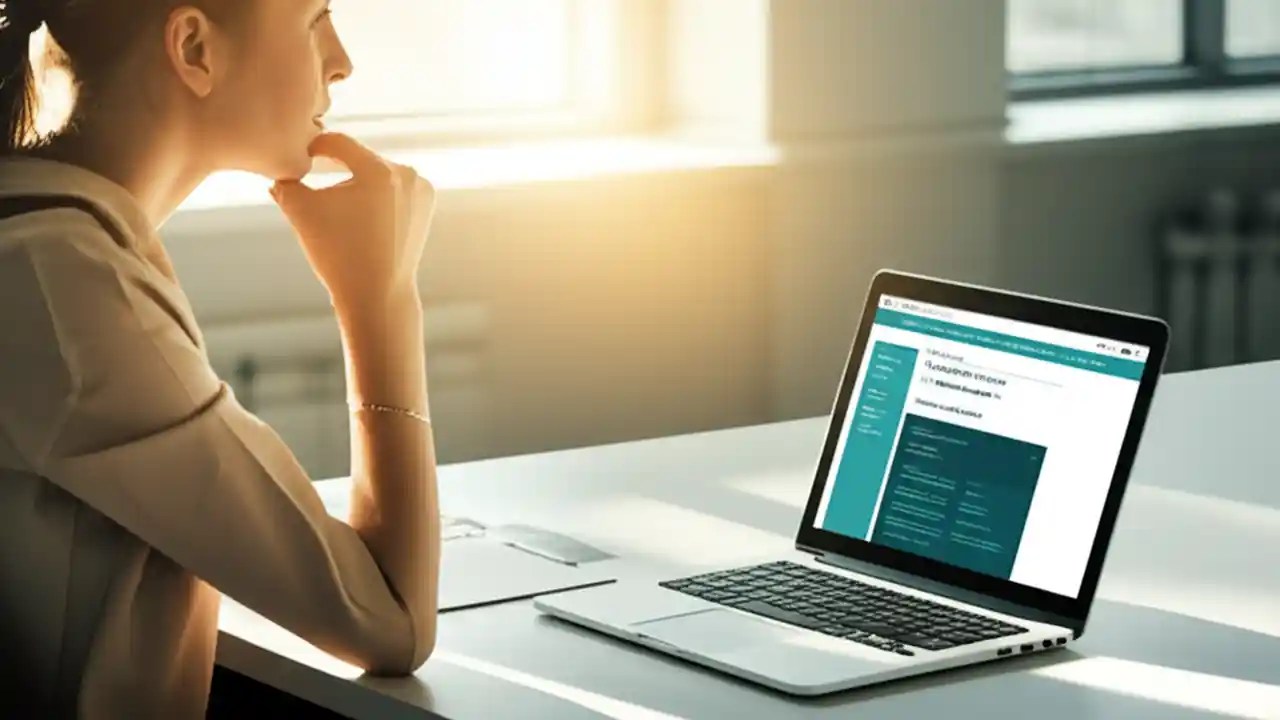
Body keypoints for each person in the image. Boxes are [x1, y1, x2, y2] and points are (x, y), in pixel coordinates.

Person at [0, 1, 442, 717]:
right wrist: (381, 297)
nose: (342, 61)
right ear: (195, 48)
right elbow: (392, 621)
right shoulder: (66, 285)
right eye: (315, 18)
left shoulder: (54, 241)